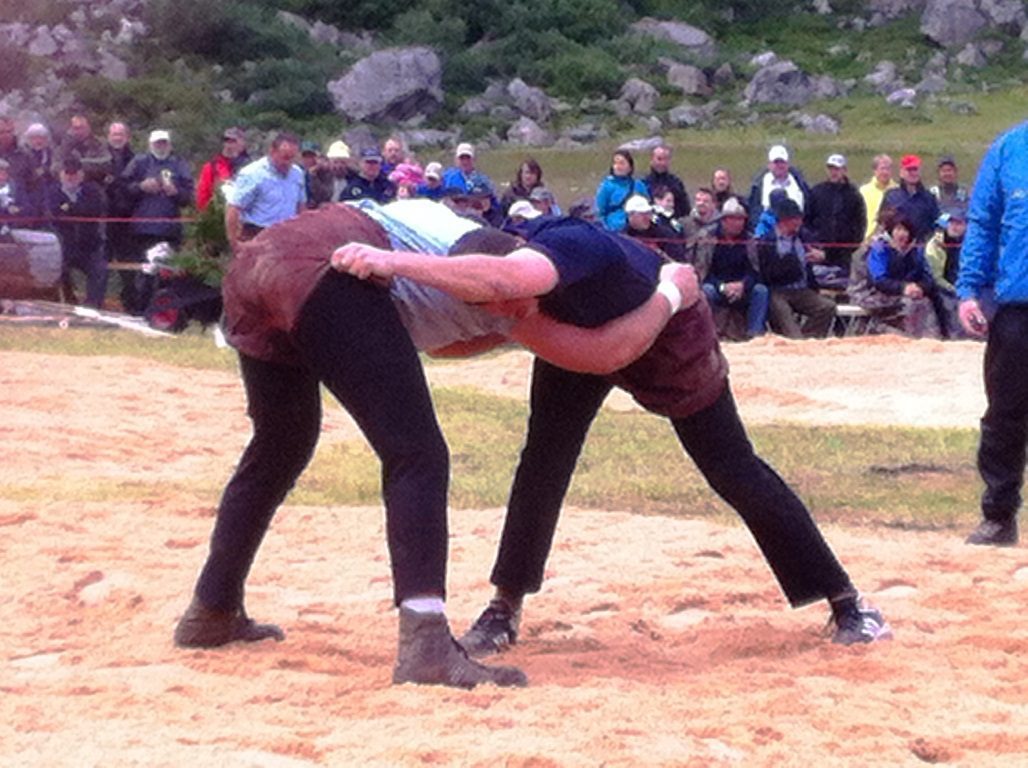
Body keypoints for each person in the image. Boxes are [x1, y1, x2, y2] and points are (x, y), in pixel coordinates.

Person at [174, 202, 696, 689]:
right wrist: (669, 294)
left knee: (281, 444)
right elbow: (579, 338)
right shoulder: (467, 267)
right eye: (504, 300)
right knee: (416, 454)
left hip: (256, 267)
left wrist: (504, 320)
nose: (516, 309)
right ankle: (425, 645)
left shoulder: (461, 259)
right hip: (323, 267)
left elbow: (552, 340)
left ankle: (212, 608)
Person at [333, 216, 891, 659]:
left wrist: (389, 260)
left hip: (666, 326)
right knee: (543, 462)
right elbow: (469, 336)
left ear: (516, 259)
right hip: (590, 336)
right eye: (488, 308)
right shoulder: (513, 288)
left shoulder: (568, 246)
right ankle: (504, 607)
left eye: (500, 300)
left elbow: (604, 346)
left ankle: (848, 602)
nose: (503, 315)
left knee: (732, 468)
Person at [956, 120, 1028, 547]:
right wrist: (968, 290)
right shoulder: (1008, 150)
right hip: (1017, 307)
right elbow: (983, 224)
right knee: (1005, 413)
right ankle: (999, 516)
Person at [120, 129, 194, 314]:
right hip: (142, 229)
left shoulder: (179, 164)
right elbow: (122, 188)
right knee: (143, 272)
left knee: (167, 273)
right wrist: (140, 187)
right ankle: (139, 309)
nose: (161, 146)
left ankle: (163, 310)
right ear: (150, 144)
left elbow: (189, 196)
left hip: (169, 230)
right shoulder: (139, 162)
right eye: (157, 143)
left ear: (169, 144)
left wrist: (176, 192)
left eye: (164, 142)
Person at [757, 197, 835, 339]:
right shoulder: (766, 241)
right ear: (783, 220)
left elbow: (829, 252)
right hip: (778, 291)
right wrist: (790, 265)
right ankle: (796, 340)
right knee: (787, 322)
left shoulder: (804, 236)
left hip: (802, 290)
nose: (799, 222)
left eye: (799, 218)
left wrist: (823, 256)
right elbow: (766, 274)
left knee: (827, 307)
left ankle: (808, 339)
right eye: (795, 219)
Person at [855, 216, 941, 338]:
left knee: (926, 303)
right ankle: (907, 338)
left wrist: (920, 287)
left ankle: (930, 340)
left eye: (905, 230)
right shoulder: (879, 249)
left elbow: (927, 276)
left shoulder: (916, 250)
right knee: (910, 305)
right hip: (878, 294)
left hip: (910, 293)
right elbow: (878, 279)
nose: (902, 234)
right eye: (898, 229)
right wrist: (903, 288)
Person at [696, 197, 768, 338]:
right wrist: (722, 286)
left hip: (742, 287)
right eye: (733, 219)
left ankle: (754, 334)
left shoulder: (749, 240)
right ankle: (708, 334)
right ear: (723, 220)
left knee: (761, 291)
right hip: (716, 286)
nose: (738, 223)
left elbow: (755, 270)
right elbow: (703, 270)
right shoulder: (707, 237)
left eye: (741, 219)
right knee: (706, 291)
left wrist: (743, 284)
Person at [224, 132, 305, 249]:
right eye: (285, 157)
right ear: (272, 151)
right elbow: (234, 208)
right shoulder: (252, 174)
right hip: (257, 236)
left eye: (292, 158)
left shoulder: (297, 174)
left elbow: (301, 206)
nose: (288, 163)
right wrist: (234, 243)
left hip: (287, 237)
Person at [47, 155, 108, 308]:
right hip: (62, 247)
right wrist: (77, 209)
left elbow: (96, 210)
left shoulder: (93, 190)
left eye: (74, 173)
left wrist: (69, 208)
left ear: (81, 174)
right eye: (67, 173)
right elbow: (53, 213)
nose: (71, 176)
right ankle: (69, 304)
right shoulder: (52, 191)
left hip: (89, 246)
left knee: (100, 270)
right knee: (56, 272)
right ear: (61, 174)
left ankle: (92, 307)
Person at [804, 153, 866, 289]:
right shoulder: (816, 192)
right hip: (816, 254)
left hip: (843, 257)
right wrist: (813, 247)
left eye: (837, 169)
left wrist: (841, 252)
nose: (834, 172)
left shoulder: (854, 195)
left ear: (844, 170)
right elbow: (806, 222)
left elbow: (859, 227)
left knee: (841, 290)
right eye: (831, 168)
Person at [747, 144, 811, 231]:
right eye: (776, 162)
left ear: (788, 164)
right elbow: (753, 211)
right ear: (769, 165)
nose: (779, 165)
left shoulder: (800, 184)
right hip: (767, 232)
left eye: (782, 162)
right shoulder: (758, 186)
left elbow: (808, 209)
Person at [881, 154, 939, 242]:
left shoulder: (929, 197)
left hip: (921, 246)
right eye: (909, 170)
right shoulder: (891, 196)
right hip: (895, 246)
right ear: (901, 173)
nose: (913, 173)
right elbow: (882, 224)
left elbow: (936, 224)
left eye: (915, 169)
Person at [196, 127, 250, 211]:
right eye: (226, 141)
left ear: (242, 144)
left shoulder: (251, 168)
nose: (229, 145)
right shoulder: (211, 167)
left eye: (233, 141)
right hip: (217, 214)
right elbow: (202, 198)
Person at [595, 148, 647, 232]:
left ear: (630, 167)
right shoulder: (606, 186)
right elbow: (600, 212)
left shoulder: (639, 185)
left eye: (622, 163)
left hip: (638, 227)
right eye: (615, 163)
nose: (618, 166)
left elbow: (647, 207)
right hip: (615, 229)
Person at [624, 193, 687, 263]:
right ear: (630, 216)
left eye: (648, 213)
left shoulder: (664, 235)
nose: (647, 217)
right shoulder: (624, 238)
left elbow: (679, 260)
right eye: (642, 214)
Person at [56, 115, 112, 187]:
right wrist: (69, 169)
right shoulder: (65, 145)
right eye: (76, 128)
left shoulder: (99, 143)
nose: (79, 131)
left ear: (88, 127)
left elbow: (107, 162)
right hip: (69, 185)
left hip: (95, 183)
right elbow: (55, 166)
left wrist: (80, 164)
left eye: (82, 127)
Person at [642, 144, 690, 220]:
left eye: (666, 159)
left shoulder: (676, 183)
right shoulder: (643, 183)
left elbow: (686, 210)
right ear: (651, 160)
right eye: (659, 159)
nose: (662, 163)